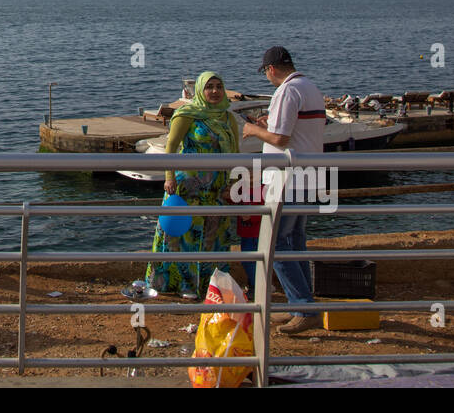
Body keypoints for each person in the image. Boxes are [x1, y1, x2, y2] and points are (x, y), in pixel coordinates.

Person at [242, 47, 325, 335]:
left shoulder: (287, 92)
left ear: (271, 69)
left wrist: (254, 130)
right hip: (309, 175)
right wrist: (269, 124)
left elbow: (280, 138)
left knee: (276, 242)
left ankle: (304, 307)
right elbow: (297, 130)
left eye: (265, 72)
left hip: (287, 178)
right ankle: (299, 305)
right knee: (295, 242)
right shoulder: (309, 87)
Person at [139, 71, 240, 300]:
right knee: (182, 236)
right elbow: (171, 146)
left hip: (216, 188)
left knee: (213, 236)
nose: (214, 91)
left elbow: (236, 153)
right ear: (200, 90)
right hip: (187, 187)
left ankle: (211, 284)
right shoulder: (187, 114)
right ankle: (183, 284)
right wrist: (169, 177)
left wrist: (231, 183)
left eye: (218, 86)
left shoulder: (227, 118)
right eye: (209, 87)